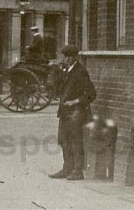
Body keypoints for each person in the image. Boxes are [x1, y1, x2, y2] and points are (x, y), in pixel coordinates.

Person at [49, 45, 96, 181]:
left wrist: (75, 101)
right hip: (65, 111)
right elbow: (58, 89)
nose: (65, 59)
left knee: (76, 140)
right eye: (64, 56)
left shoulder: (80, 71)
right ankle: (67, 168)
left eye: (68, 56)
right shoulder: (66, 71)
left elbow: (91, 94)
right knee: (64, 139)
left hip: (76, 112)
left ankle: (78, 170)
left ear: (75, 57)